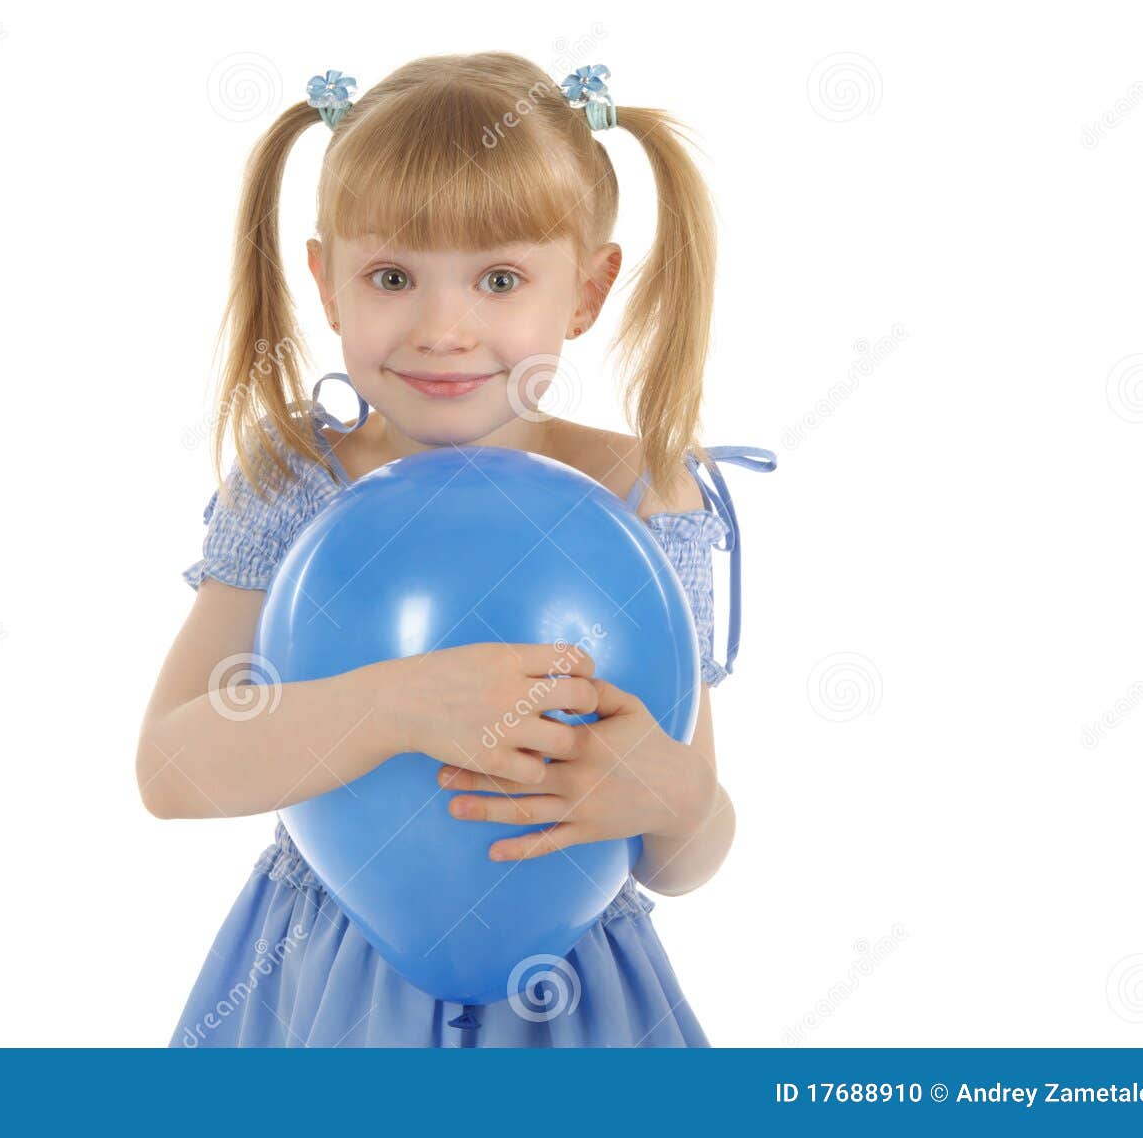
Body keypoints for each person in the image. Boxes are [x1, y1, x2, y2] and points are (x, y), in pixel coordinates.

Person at [139, 52, 777, 1046]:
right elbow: (173, 767)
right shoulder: (296, 479)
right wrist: (398, 704)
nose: (443, 329)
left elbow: (681, 862)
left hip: (571, 993)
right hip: (328, 981)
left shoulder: (644, 493)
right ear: (328, 283)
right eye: (393, 276)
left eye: (499, 279)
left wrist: (676, 794)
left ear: (587, 289)